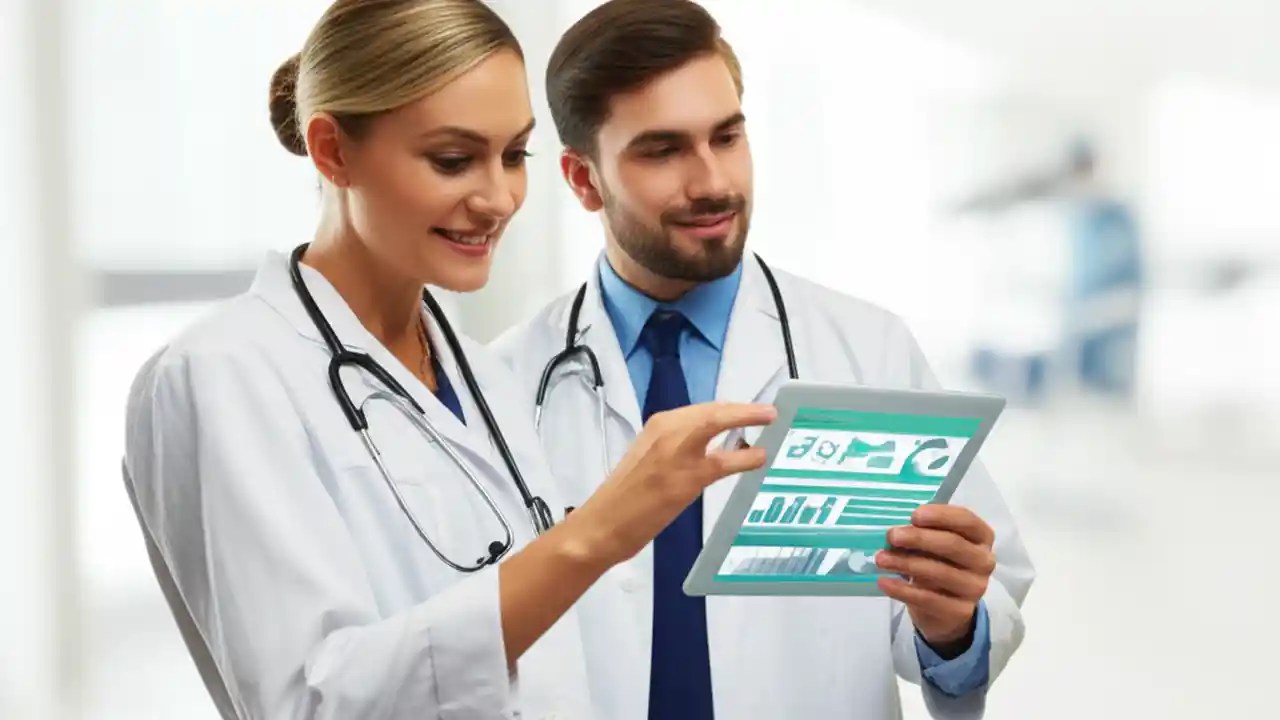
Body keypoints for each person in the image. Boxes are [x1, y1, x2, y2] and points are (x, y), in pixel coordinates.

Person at [121, 1, 774, 718]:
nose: (498, 199)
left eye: (515, 155)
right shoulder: (221, 375)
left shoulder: (481, 373)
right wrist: (598, 533)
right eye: (454, 159)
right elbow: (311, 704)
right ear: (333, 151)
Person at [491, 1, 1036, 718]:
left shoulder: (864, 351)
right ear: (583, 178)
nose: (713, 182)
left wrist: (953, 622)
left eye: (727, 136)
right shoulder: (504, 383)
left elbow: (967, 621)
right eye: (663, 150)